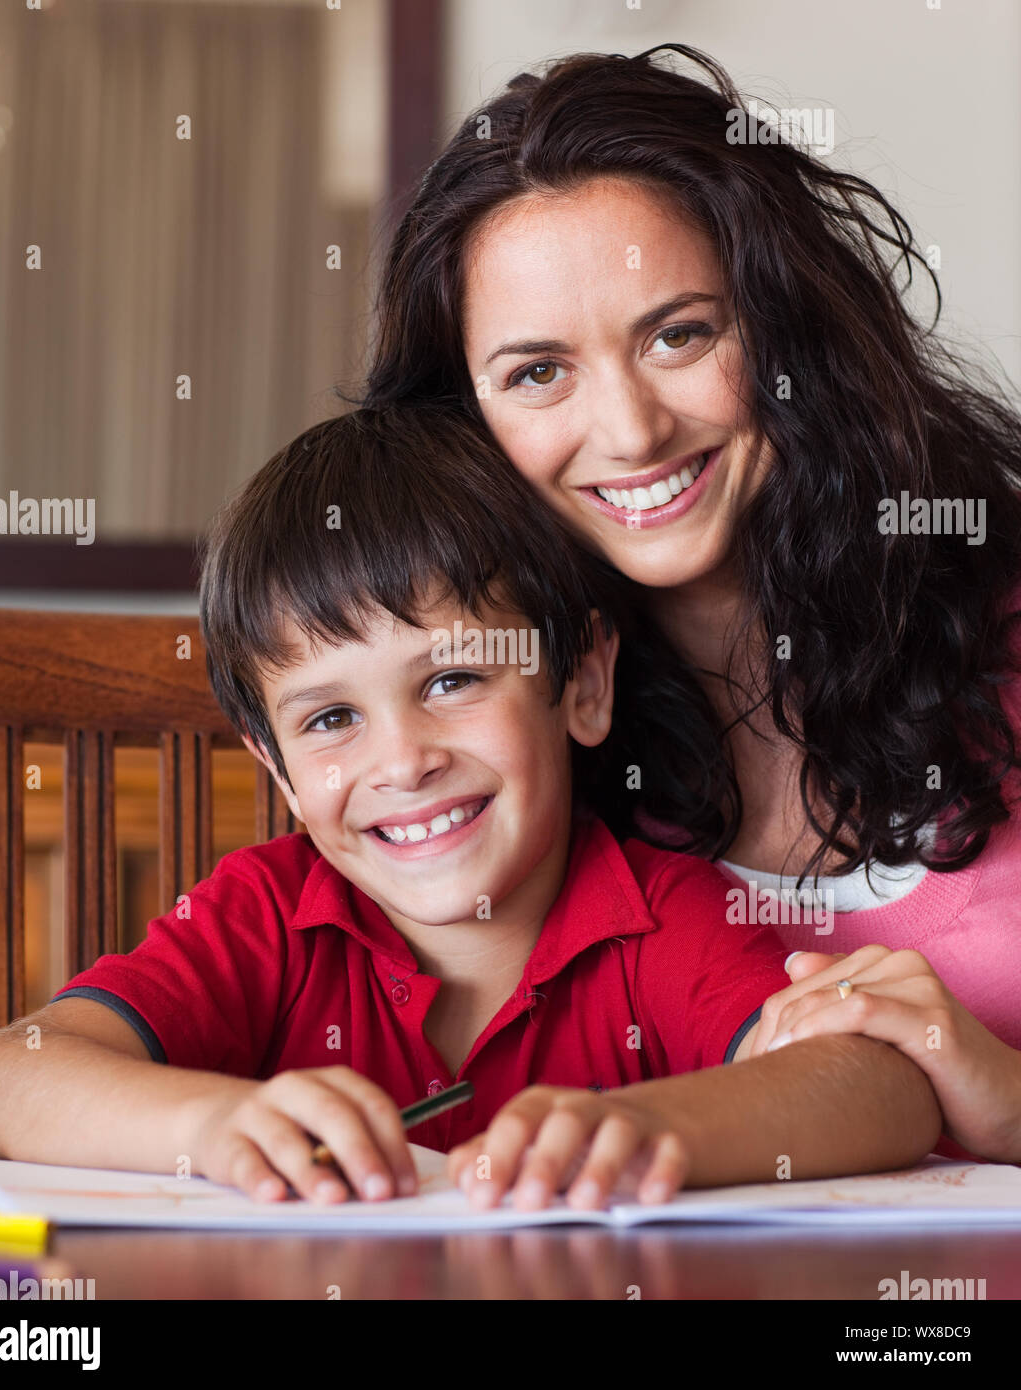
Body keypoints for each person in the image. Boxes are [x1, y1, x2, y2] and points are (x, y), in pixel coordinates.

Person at [0, 406, 940, 1210]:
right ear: (281, 770)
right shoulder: (267, 913)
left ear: (583, 682)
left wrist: (657, 1128)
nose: (405, 760)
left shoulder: (658, 913)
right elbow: (1, 1079)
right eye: (332, 716)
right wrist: (204, 1127)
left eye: (454, 678)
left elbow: (878, 1087)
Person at [362, 45, 1021, 1163]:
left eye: (680, 335)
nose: (628, 431)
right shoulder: (480, 735)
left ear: (784, 333)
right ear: (457, 427)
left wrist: (1002, 1099)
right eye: (536, 372)